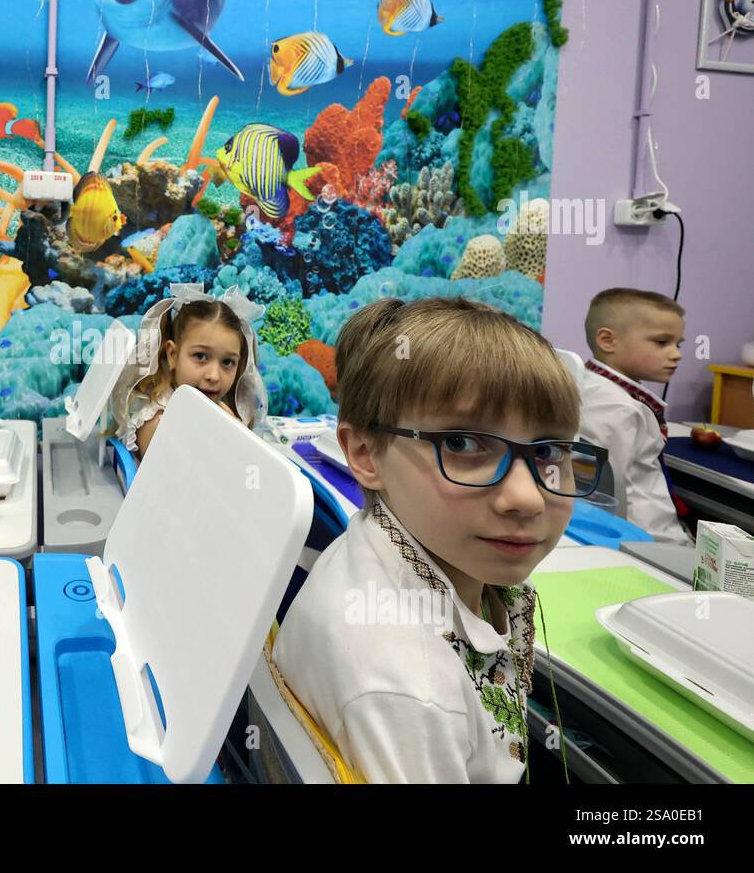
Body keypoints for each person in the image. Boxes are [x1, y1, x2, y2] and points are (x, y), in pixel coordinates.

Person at [269, 297, 604, 782]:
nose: (527, 498)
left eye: (549, 450)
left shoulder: (392, 542)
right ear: (365, 453)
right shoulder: (414, 692)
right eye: (462, 444)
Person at [576, 288, 690, 543]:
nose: (677, 354)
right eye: (662, 342)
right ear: (607, 341)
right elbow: (617, 491)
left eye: (678, 344)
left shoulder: (587, 383)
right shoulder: (620, 408)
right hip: (648, 539)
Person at [107, 283, 266, 457]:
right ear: (173, 355)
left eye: (227, 362)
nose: (213, 376)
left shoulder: (216, 409)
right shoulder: (158, 423)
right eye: (200, 356)